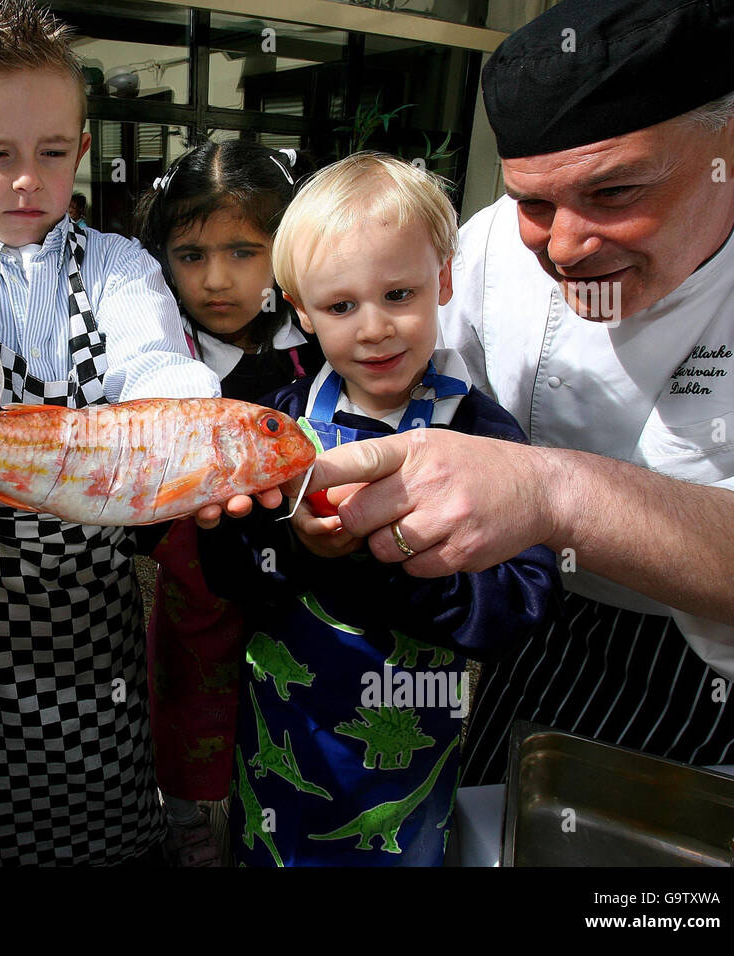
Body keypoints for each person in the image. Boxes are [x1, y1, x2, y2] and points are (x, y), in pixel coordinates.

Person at [278, 0, 734, 785]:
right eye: (534, 203)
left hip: (728, 669)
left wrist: (554, 493)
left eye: (615, 192)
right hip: (540, 631)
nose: (565, 248)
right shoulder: (488, 251)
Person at [0, 0, 227, 866]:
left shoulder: (119, 265)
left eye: (53, 153)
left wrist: (194, 431)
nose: (28, 179)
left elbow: (154, 363)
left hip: (93, 603)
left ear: (83, 150)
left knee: (109, 801)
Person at [198, 153, 559, 866]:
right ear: (300, 311)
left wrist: (383, 555)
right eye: (340, 307)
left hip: (407, 752)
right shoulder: (275, 424)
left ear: (444, 280)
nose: (374, 328)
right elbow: (228, 575)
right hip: (284, 733)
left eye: (398, 294)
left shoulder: (485, 439)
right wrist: (283, 543)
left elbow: (522, 604)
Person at [132, 138, 322, 865]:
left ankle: (271, 821)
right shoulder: (154, 354)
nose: (216, 280)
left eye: (245, 252)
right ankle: (185, 820)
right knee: (189, 695)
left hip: (302, 569)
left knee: (290, 697)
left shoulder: (315, 342)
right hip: (194, 574)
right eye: (191, 255)